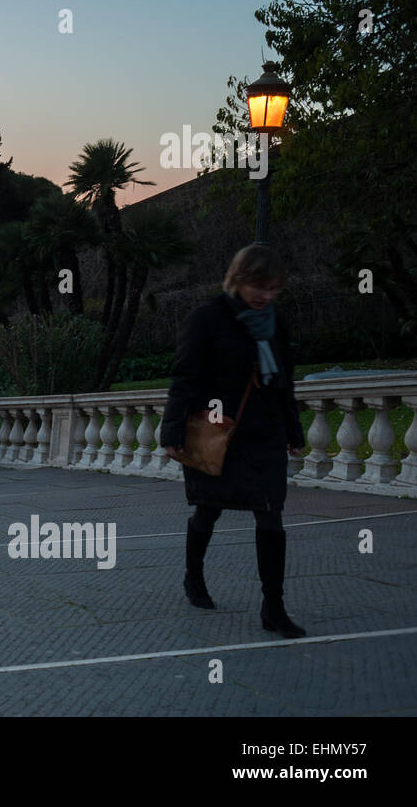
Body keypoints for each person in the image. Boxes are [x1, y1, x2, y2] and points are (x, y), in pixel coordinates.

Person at [161, 244, 308, 639]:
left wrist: (294, 430)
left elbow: (285, 382)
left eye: (274, 288)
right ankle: (194, 578)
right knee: (209, 511)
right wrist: (172, 431)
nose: (266, 296)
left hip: (265, 433)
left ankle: (273, 607)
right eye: (260, 286)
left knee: (270, 513)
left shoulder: (275, 322)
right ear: (239, 279)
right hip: (219, 430)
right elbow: (184, 376)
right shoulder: (207, 318)